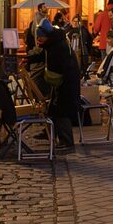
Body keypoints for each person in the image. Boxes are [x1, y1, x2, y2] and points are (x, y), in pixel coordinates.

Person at [36, 22, 80, 150]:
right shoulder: (53, 42)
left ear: (46, 36)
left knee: (61, 110)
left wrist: (53, 78)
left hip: (66, 82)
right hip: (61, 81)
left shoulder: (58, 46)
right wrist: (31, 58)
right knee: (53, 109)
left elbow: (61, 67)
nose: (39, 39)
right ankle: (50, 133)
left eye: (40, 37)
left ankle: (67, 141)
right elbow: (43, 55)